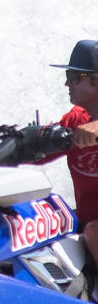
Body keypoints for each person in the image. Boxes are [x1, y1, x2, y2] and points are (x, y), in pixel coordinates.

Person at [47, 40, 98, 263]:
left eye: (75, 77)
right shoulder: (75, 119)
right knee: (39, 220)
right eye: (68, 75)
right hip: (86, 223)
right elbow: (35, 152)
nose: (67, 83)